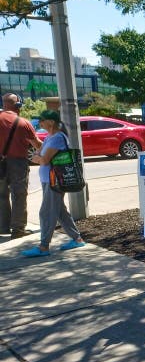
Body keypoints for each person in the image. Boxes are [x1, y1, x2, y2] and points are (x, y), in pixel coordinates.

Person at [22, 110, 86, 257]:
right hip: (48, 180)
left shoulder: (57, 138)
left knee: (46, 212)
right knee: (60, 212)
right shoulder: (51, 137)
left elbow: (42, 159)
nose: (40, 124)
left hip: (54, 180)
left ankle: (43, 247)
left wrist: (39, 157)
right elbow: (38, 156)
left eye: (42, 121)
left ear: (50, 122)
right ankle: (77, 239)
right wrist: (39, 157)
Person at [1, 93, 40, 239]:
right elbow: (36, 145)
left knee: (1, 195)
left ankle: (3, 226)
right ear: (18, 105)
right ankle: (18, 229)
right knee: (19, 195)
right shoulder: (23, 123)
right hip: (18, 162)